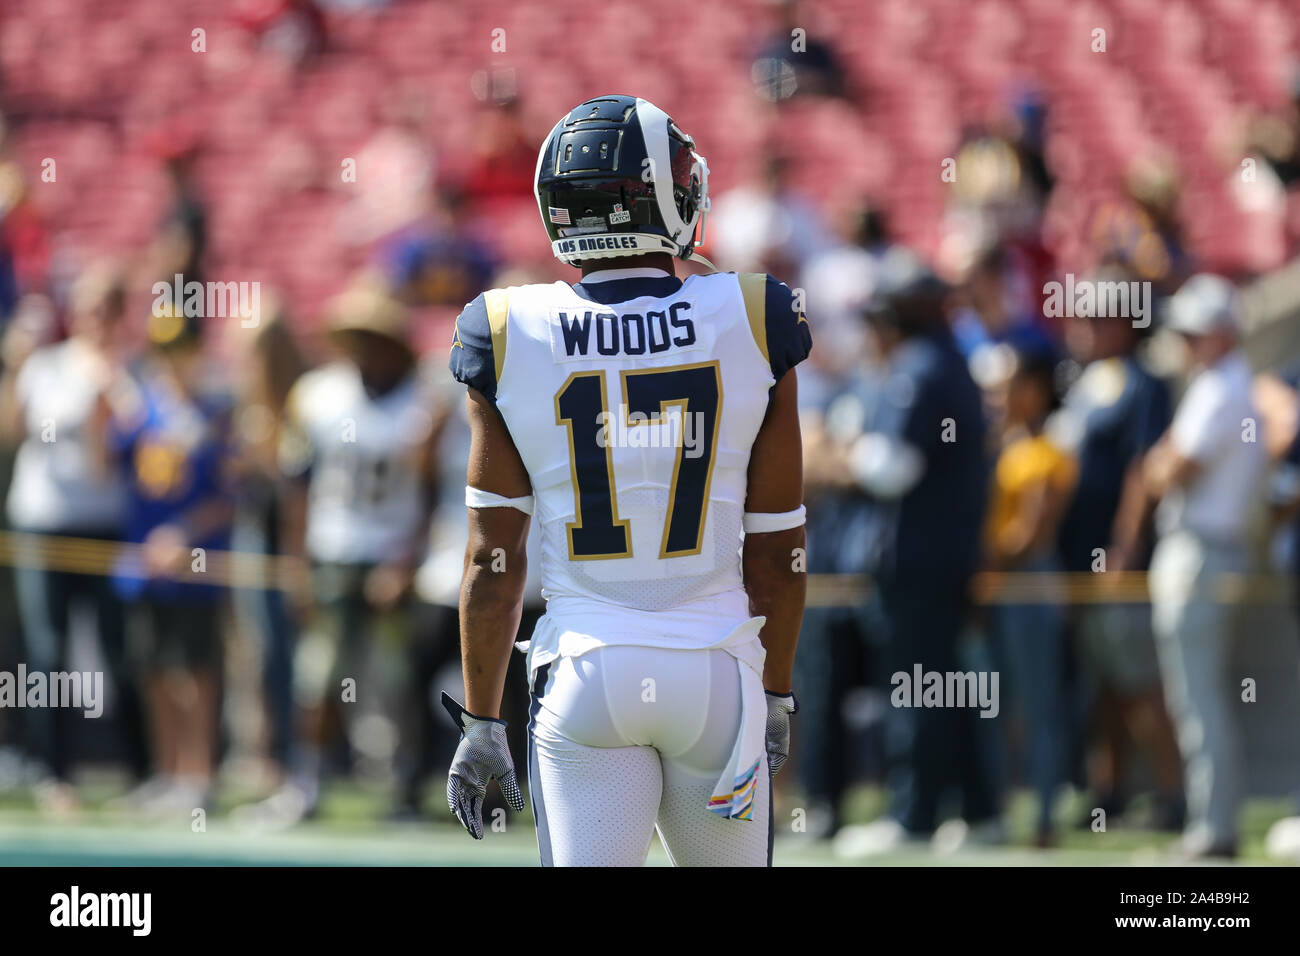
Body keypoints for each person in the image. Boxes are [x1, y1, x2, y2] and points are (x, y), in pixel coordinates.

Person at [443, 95, 811, 866]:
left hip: (587, 668)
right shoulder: (753, 312)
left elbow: (491, 558)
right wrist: (775, 692)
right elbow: (777, 550)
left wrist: (483, 719)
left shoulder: (505, 328)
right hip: (718, 668)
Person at [240, 283, 440, 826]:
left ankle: (404, 790)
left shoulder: (426, 402)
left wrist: (407, 561)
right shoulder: (319, 396)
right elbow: (297, 490)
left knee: (398, 680)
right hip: (332, 553)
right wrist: (297, 565)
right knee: (319, 677)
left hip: (393, 558)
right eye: (357, 340)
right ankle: (305, 782)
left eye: (375, 340)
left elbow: (431, 494)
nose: (365, 351)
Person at [831, 252, 996, 857]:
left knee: (918, 688)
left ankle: (916, 813)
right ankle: (974, 811)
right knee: (942, 687)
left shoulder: (923, 369)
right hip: (936, 559)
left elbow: (893, 468)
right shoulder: (942, 365)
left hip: (922, 562)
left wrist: (840, 457)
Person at [0, 266, 148, 812]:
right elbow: (12, 430)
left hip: (103, 524)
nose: (95, 321)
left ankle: (140, 769)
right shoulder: (46, 365)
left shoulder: (128, 372)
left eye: (105, 309)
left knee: (117, 646)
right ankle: (50, 770)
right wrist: (14, 368)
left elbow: (129, 447)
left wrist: (112, 396)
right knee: (48, 648)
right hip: (43, 521)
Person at [1143, 274, 1267, 859]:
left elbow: (1170, 469)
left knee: (1199, 699)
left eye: (1195, 332)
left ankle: (1213, 827)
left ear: (1219, 333)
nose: (1187, 343)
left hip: (1202, 550)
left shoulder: (1220, 388)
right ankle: (1215, 821)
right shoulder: (1225, 385)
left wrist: (1162, 460)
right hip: (1210, 549)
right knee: (1204, 696)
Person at [112, 306, 237, 817]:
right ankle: (166, 772)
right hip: (144, 565)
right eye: (162, 351)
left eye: (178, 349)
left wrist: (184, 534)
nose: (170, 361)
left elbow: (230, 494)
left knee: (196, 672)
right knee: (153, 670)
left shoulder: (214, 415)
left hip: (196, 566)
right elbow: (109, 463)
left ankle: (198, 774)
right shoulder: (142, 412)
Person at [984, 346, 1074, 846]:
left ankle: (1042, 816)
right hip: (1004, 586)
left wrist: (985, 563)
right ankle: (1004, 813)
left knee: (1038, 705)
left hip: (1028, 583)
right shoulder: (1007, 444)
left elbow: (1031, 533)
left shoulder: (1048, 450)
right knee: (998, 705)